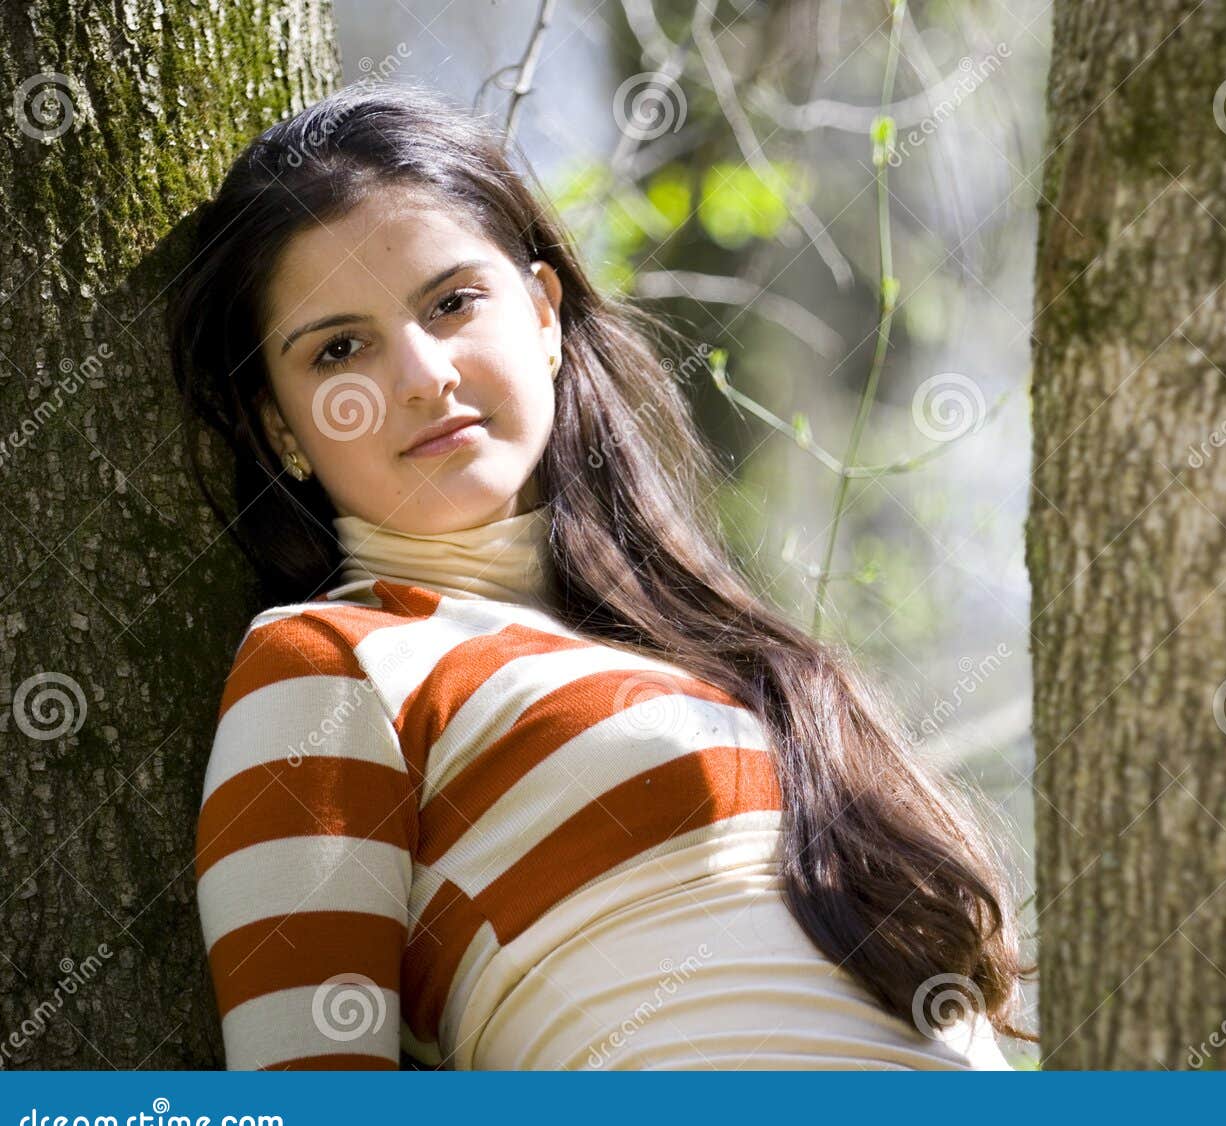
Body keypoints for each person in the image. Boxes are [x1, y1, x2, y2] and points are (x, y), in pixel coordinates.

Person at [166, 82, 1034, 1070]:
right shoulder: (328, 666)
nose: (420, 376)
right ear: (281, 425)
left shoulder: (721, 653)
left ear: (541, 311)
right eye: (339, 349)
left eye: (452, 302)